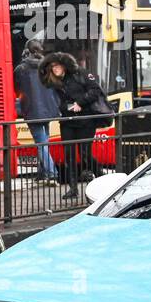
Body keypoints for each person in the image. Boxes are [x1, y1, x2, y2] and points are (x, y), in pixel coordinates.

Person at [39, 51, 105, 199]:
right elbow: (58, 102)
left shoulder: (81, 74)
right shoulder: (54, 82)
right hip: (67, 121)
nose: (55, 69)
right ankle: (73, 188)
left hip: (86, 120)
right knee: (68, 155)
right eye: (52, 67)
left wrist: (80, 103)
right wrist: (67, 107)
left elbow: (96, 90)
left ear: (64, 65)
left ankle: (101, 177)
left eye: (57, 66)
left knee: (85, 154)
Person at [13, 39, 58, 181]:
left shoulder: (21, 69)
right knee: (44, 142)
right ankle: (43, 173)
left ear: (27, 51)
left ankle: (52, 173)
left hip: (32, 110)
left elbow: (17, 89)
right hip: (48, 110)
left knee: (41, 143)